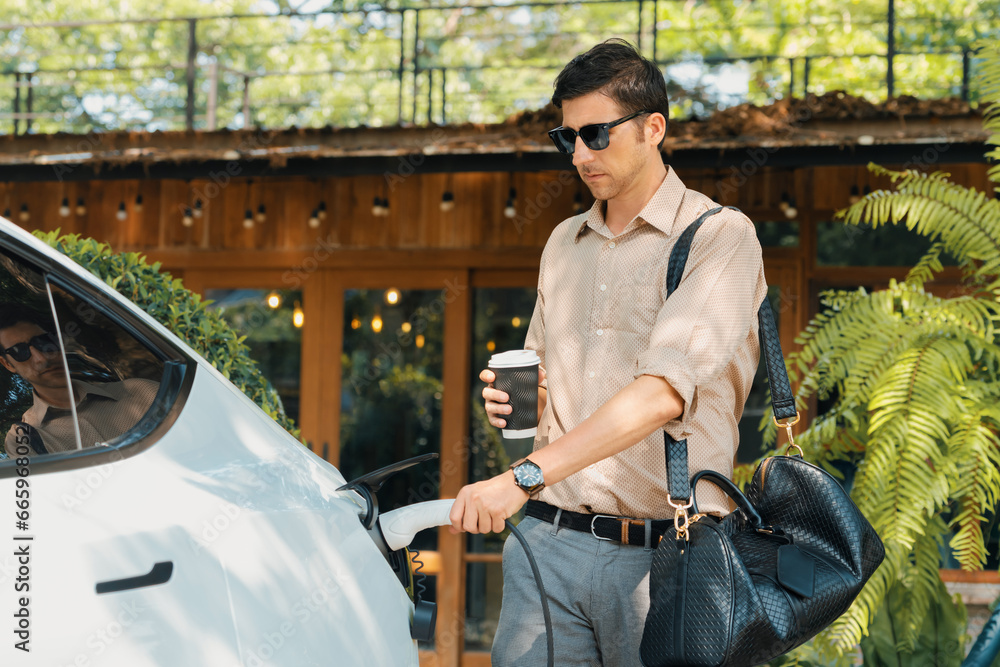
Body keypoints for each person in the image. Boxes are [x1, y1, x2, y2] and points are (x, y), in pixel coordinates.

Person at [448, 39, 767, 665]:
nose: (580, 154)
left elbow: (662, 395)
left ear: (653, 128)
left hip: (666, 558)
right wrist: (525, 399)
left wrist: (522, 476)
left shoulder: (720, 237)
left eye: (597, 133)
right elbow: (545, 381)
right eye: (566, 138)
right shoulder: (565, 241)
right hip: (548, 541)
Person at [0, 303, 159, 457]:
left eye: (43, 342)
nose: (41, 358)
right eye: (19, 351)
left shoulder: (143, 393)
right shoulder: (24, 439)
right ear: (7, 363)